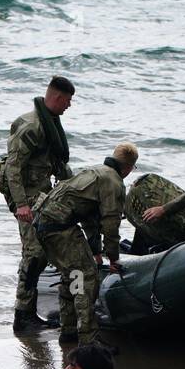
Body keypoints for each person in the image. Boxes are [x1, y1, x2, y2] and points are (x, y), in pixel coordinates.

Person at [33, 143, 137, 345]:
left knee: (71, 274)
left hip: (43, 222)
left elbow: (89, 219)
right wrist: (114, 259)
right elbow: (110, 225)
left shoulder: (95, 172)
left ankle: (69, 330)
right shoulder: (114, 182)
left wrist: (97, 251)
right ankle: (88, 339)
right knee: (85, 276)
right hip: (59, 226)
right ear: (128, 168)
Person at [3, 76, 75, 334]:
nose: (69, 106)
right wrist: (21, 205)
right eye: (67, 101)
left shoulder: (49, 123)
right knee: (33, 255)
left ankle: (28, 313)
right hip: (28, 200)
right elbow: (13, 167)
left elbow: (56, 163)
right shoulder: (32, 126)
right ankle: (22, 317)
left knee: (40, 254)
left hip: (42, 196)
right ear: (56, 98)